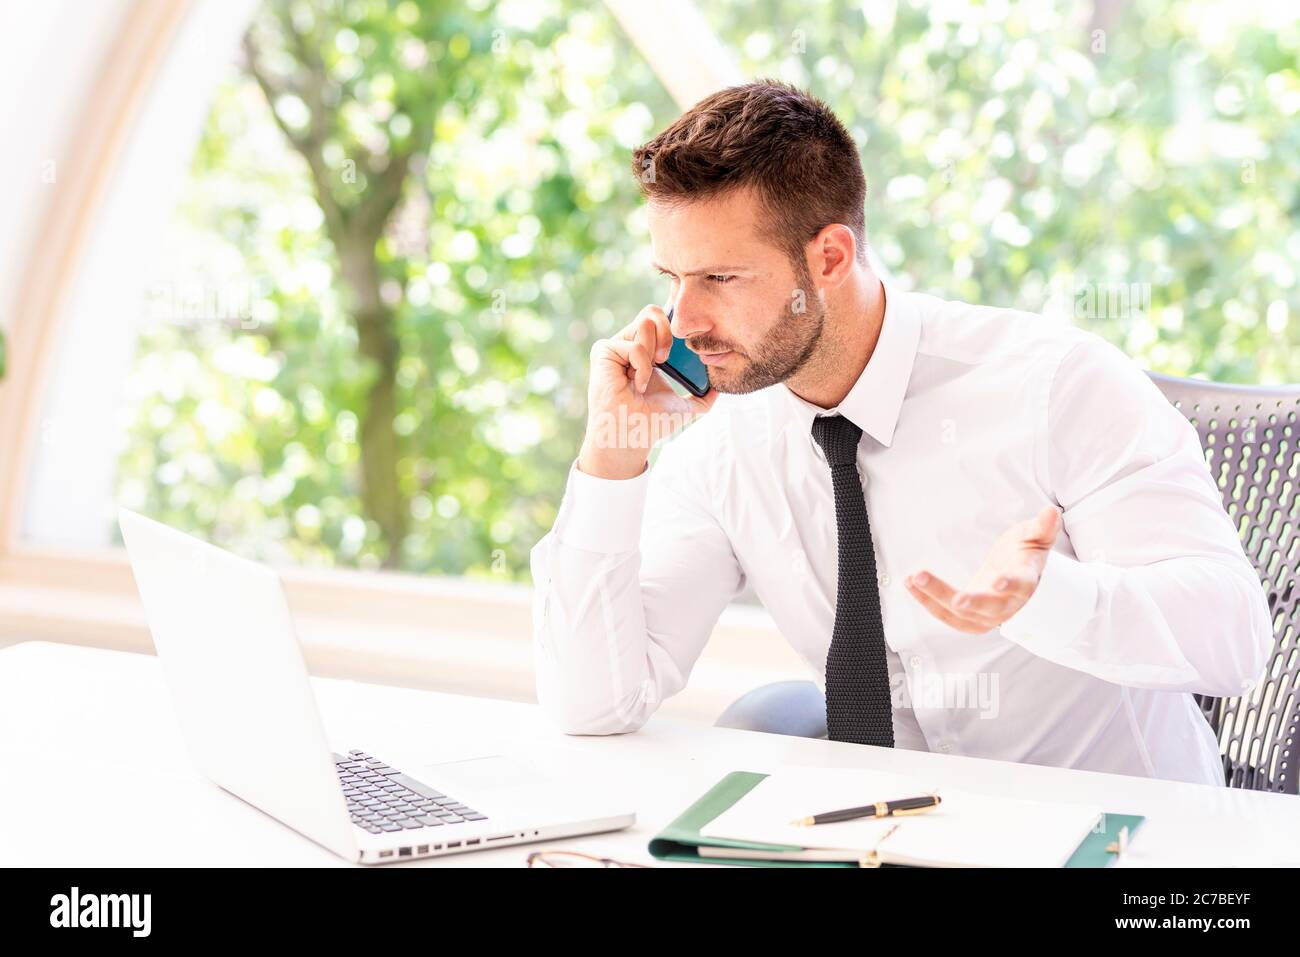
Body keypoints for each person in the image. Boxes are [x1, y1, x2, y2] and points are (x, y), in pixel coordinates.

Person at [528, 79, 1271, 785]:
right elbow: (593, 704)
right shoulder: (725, 444)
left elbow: (1236, 640)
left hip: (1120, 839)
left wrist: (1054, 597)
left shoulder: (1055, 385)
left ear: (828, 258)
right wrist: (611, 456)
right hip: (890, 830)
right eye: (672, 277)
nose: (682, 320)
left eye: (719, 279)